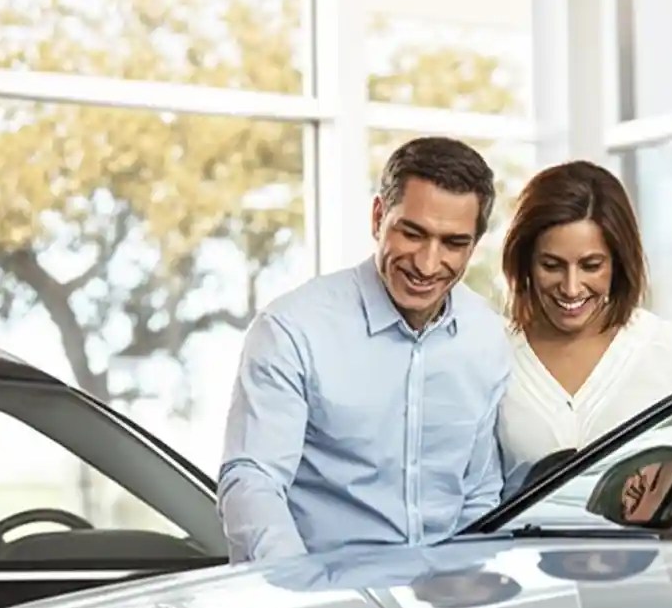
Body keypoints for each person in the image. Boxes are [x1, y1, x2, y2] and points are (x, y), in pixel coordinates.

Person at [218, 136, 512, 564]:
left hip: (446, 603)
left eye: (453, 243)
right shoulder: (293, 329)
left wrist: (465, 583)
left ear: (474, 244)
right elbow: (252, 480)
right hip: (329, 599)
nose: (428, 264)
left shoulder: (486, 337)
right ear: (379, 217)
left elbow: (480, 489)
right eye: (413, 233)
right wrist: (298, 590)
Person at [497, 160, 672, 520]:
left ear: (618, 264)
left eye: (591, 265)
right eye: (551, 265)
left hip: (648, 574)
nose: (571, 287)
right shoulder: (491, 355)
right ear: (525, 263)